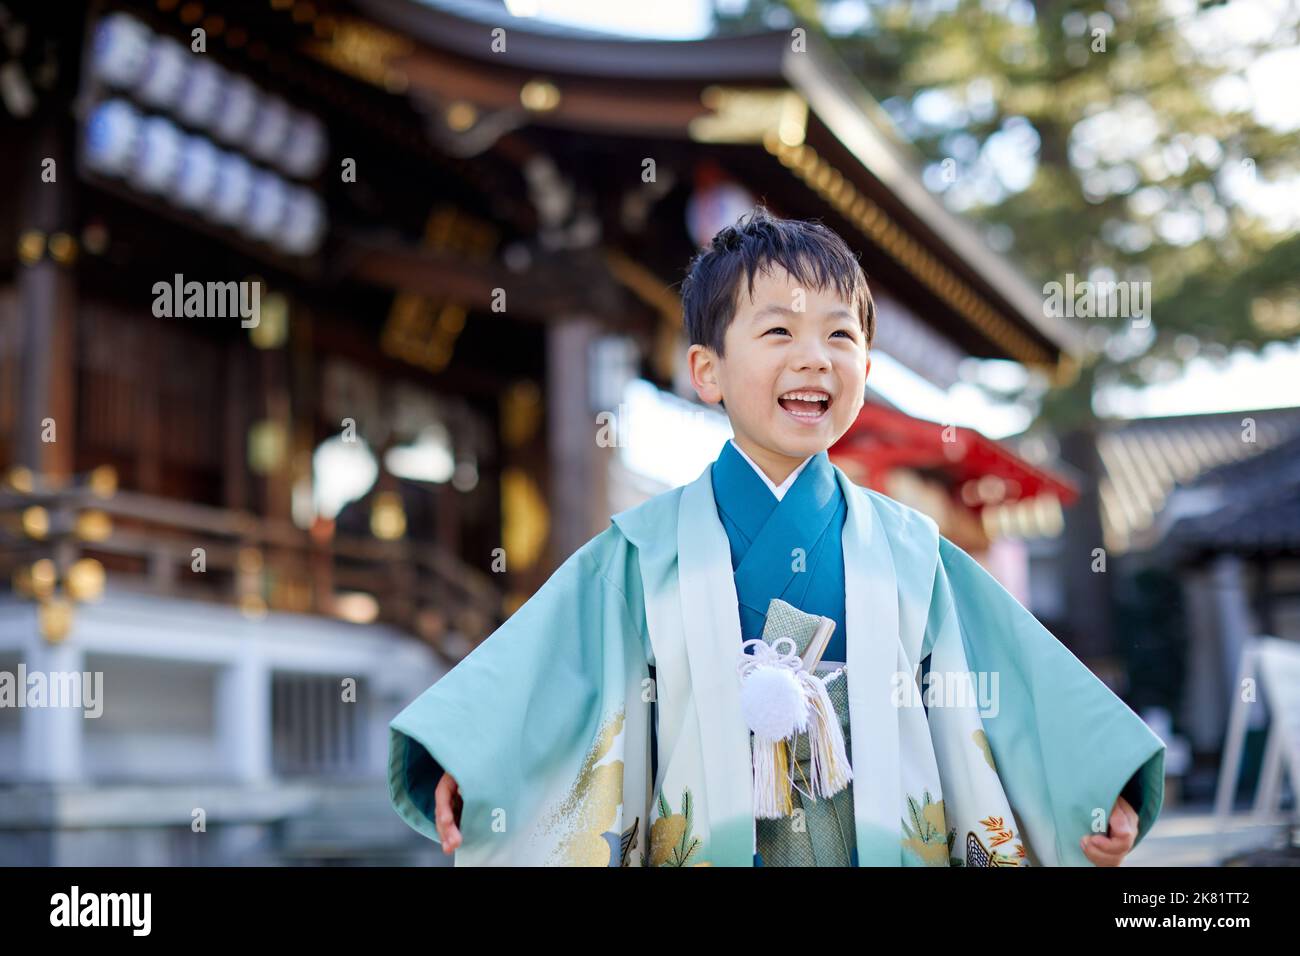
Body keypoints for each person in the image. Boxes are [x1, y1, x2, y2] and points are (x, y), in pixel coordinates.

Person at [388, 206, 1163, 866]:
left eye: (840, 336)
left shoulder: (912, 549)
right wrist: (471, 759)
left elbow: (1010, 680)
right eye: (779, 331)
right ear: (707, 370)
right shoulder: (640, 551)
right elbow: (556, 673)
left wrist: (1095, 780)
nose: (814, 358)